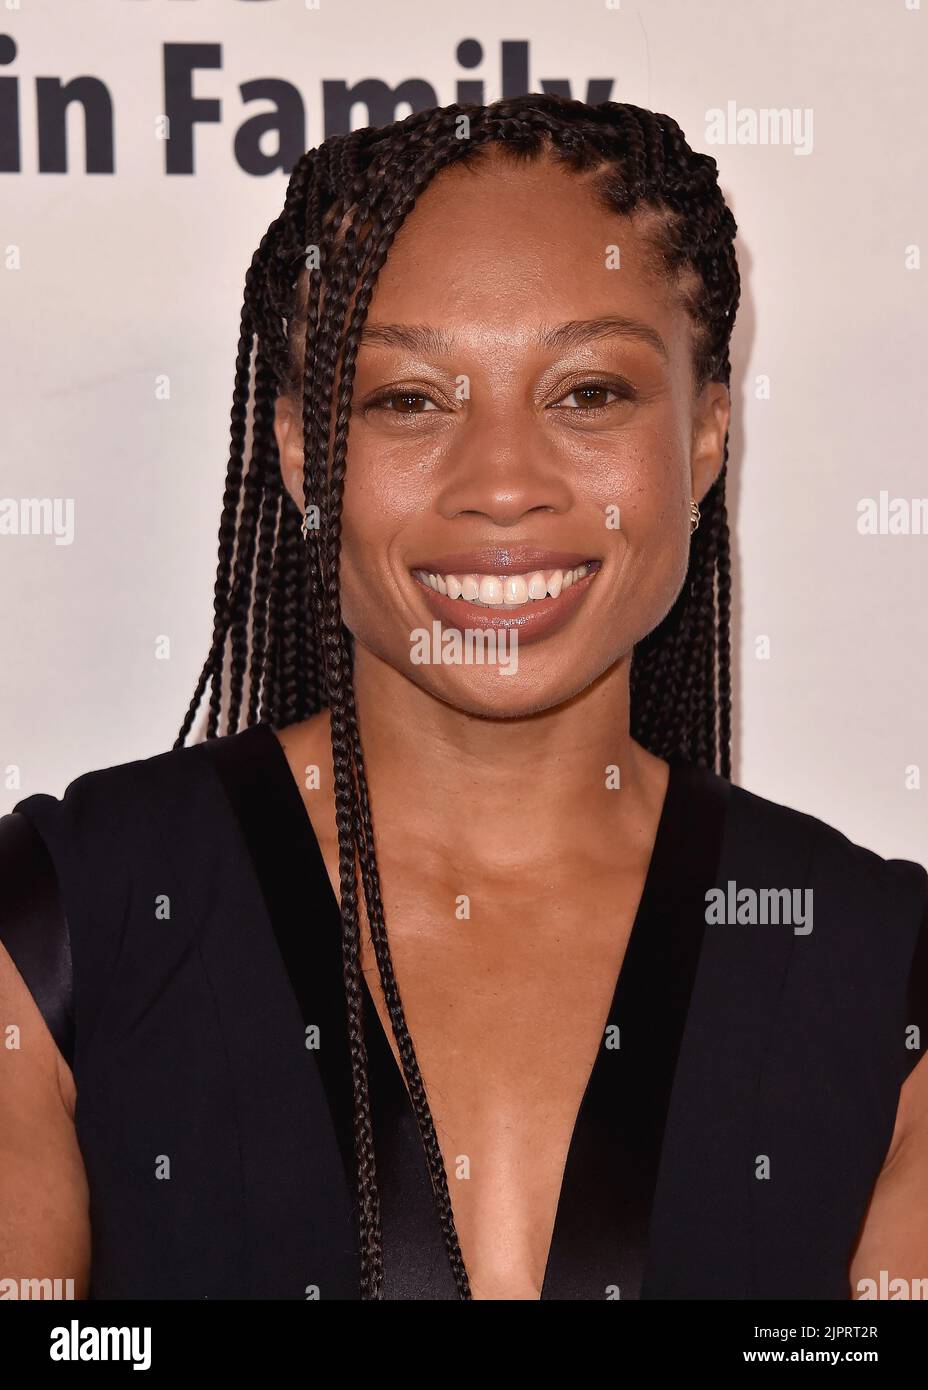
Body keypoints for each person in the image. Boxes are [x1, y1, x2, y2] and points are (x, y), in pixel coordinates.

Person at [1, 94, 926, 1302]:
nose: (503, 485)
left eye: (588, 393)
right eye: (409, 400)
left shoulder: (877, 976)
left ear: (706, 431)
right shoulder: (63, 937)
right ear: (296, 448)